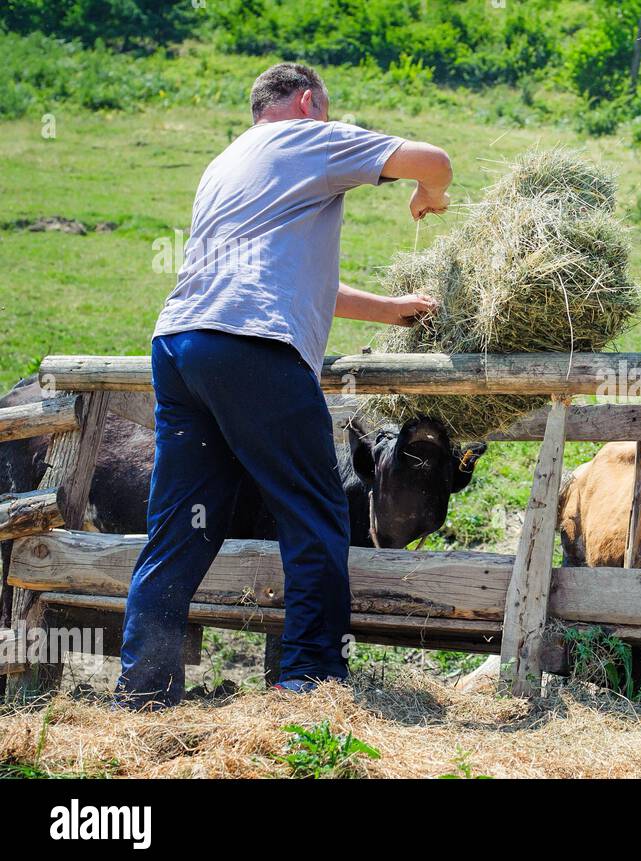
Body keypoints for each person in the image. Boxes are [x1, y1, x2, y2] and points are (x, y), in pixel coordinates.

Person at [115, 62, 452, 707]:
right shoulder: (307, 138)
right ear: (307, 101)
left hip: (181, 347)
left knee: (182, 527)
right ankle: (308, 681)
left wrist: (391, 308)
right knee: (315, 511)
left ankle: (144, 688)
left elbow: (290, 281)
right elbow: (434, 160)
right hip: (255, 351)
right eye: (326, 110)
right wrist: (427, 195)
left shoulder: (226, 165)